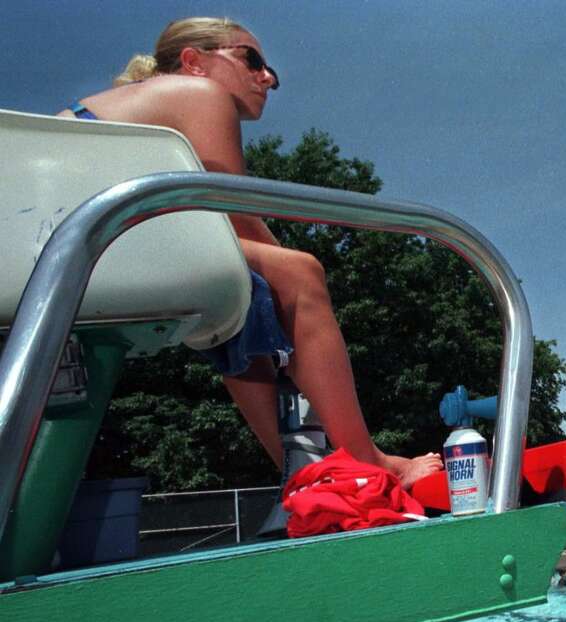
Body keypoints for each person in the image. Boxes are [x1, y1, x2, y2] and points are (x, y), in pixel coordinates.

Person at [60, 18, 444, 487]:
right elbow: (237, 215)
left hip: (68, 250)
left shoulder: (133, 107)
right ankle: (367, 462)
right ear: (193, 61)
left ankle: (310, 476)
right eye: (252, 60)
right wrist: (306, 309)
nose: (269, 79)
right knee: (300, 274)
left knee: (239, 303)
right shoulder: (199, 94)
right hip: (84, 249)